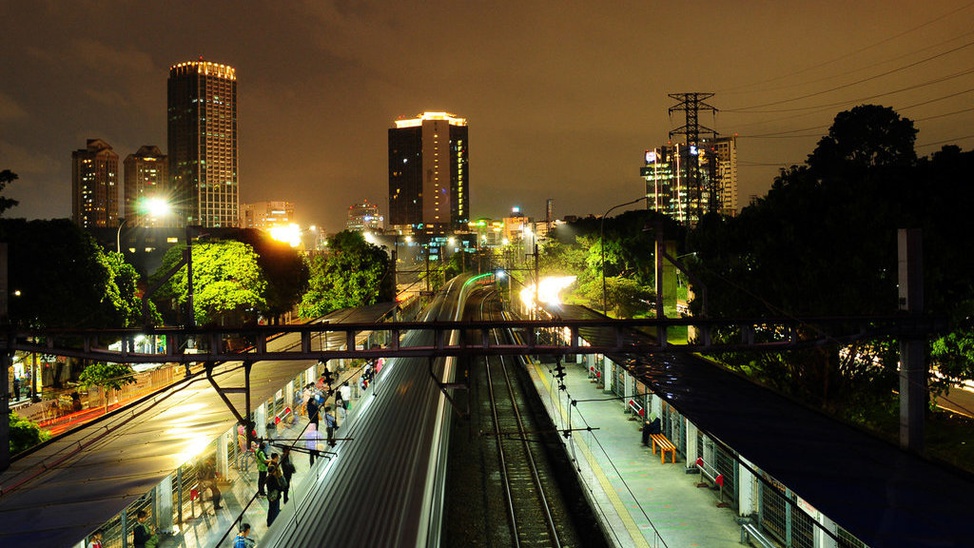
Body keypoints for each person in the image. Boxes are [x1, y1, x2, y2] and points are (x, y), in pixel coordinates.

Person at [266, 457, 283, 526]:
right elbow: (277, 487)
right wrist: (280, 488)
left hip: (270, 496)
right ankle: (273, 523)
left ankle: (269, 522)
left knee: (271, 509)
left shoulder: (268, 478)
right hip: (274, 497)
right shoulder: (273, 479)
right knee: (274, 510)